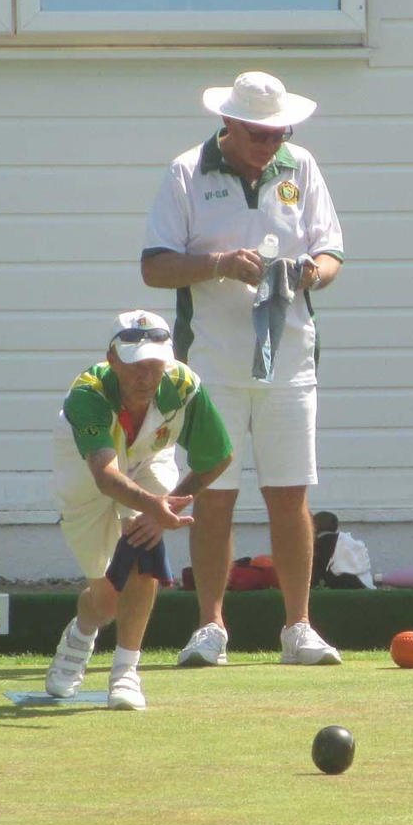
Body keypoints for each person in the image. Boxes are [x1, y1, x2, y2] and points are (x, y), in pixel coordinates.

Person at [141, 70, 344, 667]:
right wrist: (222, 264)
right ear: (228, 124)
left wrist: (310, 274)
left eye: (279, 132)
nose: (270, 144)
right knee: (214, 497)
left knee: (290, 495)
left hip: (290, 357)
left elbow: (332, 252)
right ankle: (210, 627)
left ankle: (299, 628)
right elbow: (155, 268)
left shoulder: (300, 165)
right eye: (259, 133)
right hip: (209, 364)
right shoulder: (186, 170)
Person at [45, 310, 232, 710]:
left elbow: (218, 456)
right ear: (112, 358)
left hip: (150, 461)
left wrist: (168, 504)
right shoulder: (88, 394)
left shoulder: (182, 385)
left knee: (145, 544)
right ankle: (81, 633)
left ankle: (126, 671)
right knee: (106, 598)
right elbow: (105, 477)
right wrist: (155, 506)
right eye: (135, 365)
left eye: (154, 364)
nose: (146, 376)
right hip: (86, 474)